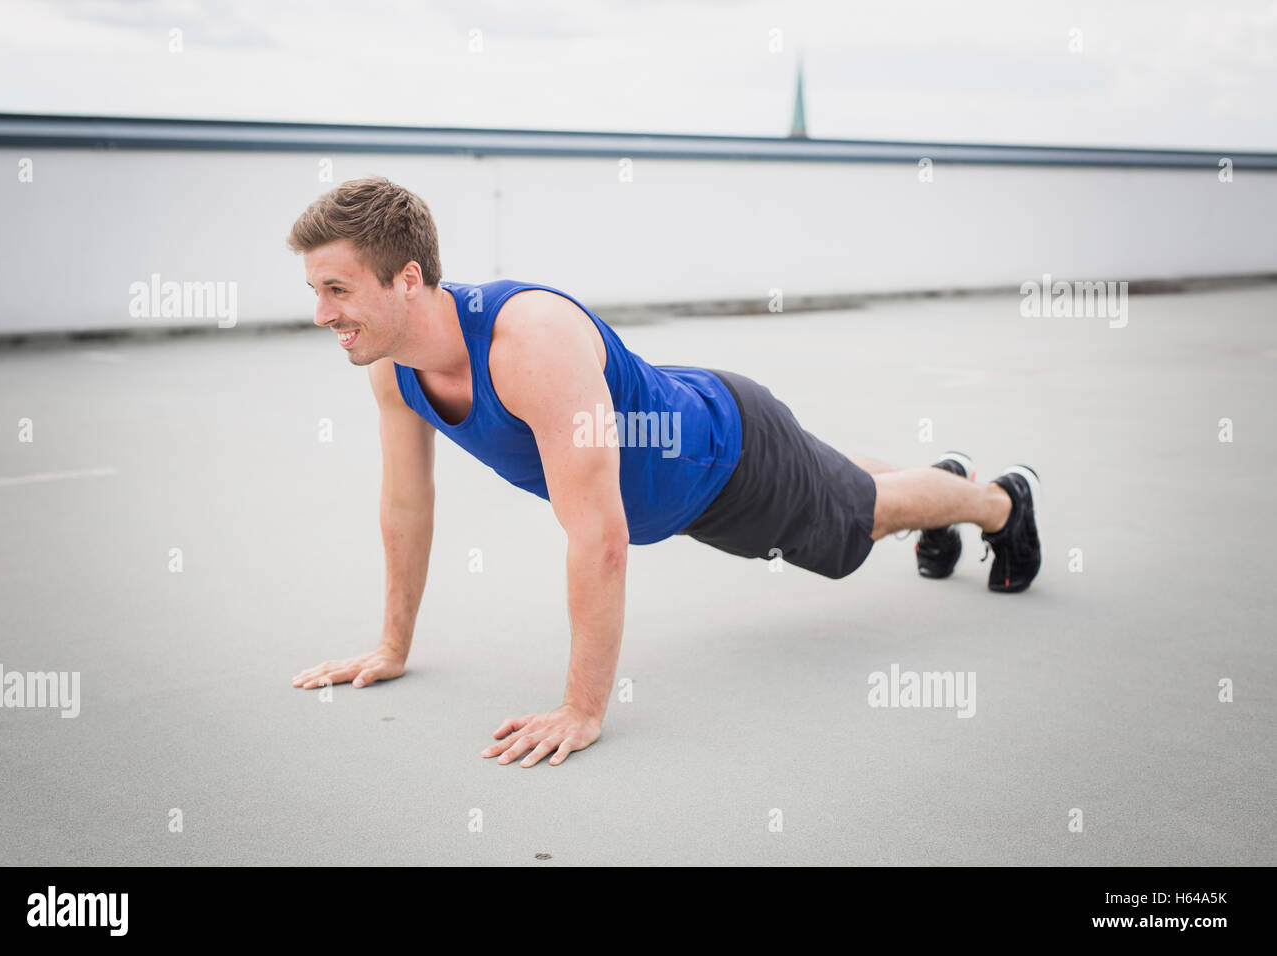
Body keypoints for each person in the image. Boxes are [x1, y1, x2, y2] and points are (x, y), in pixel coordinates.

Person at [287, 177, 1041, 768]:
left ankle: (998, 503)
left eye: (338, 289)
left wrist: (581, 710)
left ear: (407, 278)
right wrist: (392, 649)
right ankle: (938, 486)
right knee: (849, 484)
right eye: (316, 290)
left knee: (862, 516)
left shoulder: (528, 346)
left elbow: (599, 538)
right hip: (697, 425)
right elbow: (406, 505)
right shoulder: (395, 369)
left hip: (725, 464)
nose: (322, 312)